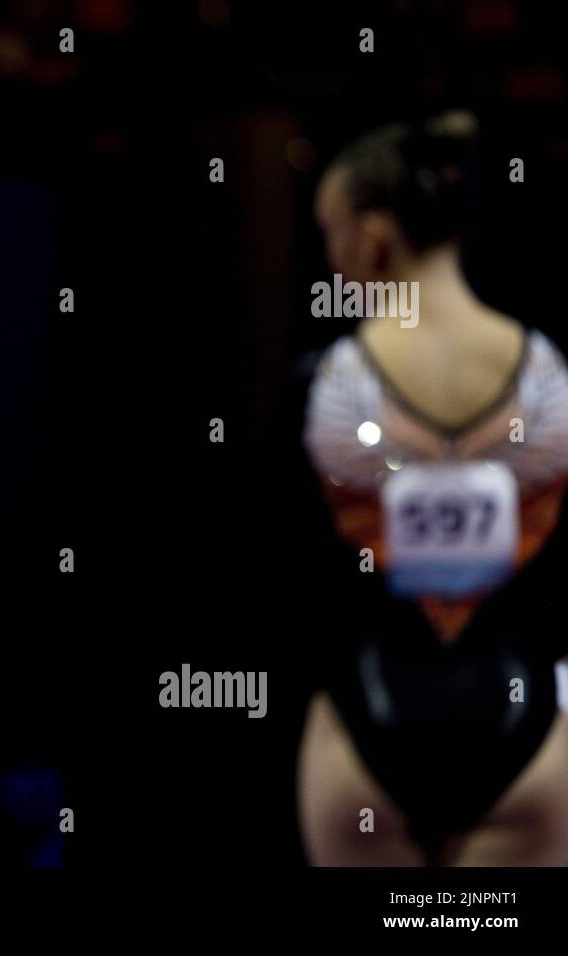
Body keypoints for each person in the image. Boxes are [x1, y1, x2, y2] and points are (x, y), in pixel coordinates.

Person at [299, 111, 568, 865]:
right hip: (524, 727)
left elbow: (289, 576)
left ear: (374, 235)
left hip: (367, 728)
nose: (333, 259)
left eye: (332, 233)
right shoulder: (550, 373)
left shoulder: (325, 385)